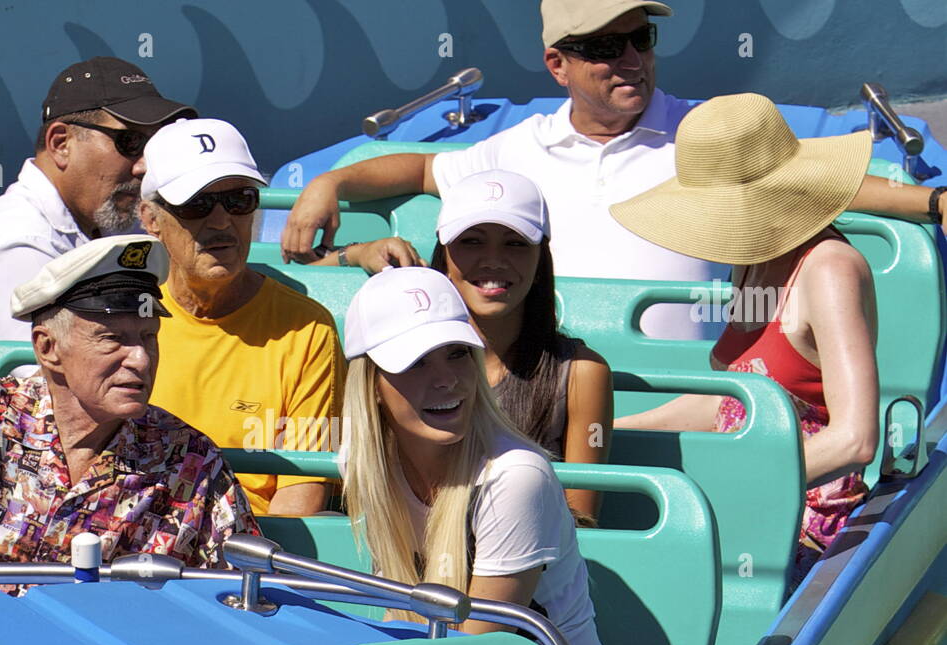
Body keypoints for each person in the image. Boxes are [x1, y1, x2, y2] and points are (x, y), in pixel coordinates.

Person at [282, 0, 944, 338]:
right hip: (550, 388)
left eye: (640, 39)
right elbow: (421, 169)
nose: (629, 58)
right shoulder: (520, 149)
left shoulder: (702, 132)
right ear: (557, 65)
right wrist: (329, 183)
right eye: (604, 46)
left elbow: (816, 179)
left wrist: (934, 206)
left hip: (696, 390)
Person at [0, 236, 260, 598]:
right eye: (113, 339)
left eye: (148, 337)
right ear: (48, 348)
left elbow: (246, 586)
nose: (140, 359)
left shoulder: (189, 459)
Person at [611, 93, 880, 587]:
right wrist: (610, 435)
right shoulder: (752, 258)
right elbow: (730, 402)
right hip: (739, 498)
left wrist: (731, 481)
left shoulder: (829, 269)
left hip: (801, 522)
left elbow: (856, 439)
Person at [340, 265, 605, 645]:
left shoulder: (514, 479)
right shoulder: (366, 463)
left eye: (458, 353)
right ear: (371, 385)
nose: (448, 380)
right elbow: (403, 621)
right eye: (416, 362)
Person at [138, 118, 343, 517]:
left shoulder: (308, 330)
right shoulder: (125, 316)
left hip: (248, 560)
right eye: (195, 204)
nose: (220, 221)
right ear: (150, 219)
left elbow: (301, 498)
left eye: (239, 200)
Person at [0, 57, 195, 375]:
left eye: (152, 145)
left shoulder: (105, 216)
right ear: (62, 143)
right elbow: (61, 386)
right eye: (131, 142)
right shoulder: (17, 245)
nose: (143, 165)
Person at [430, 169, 612, 523]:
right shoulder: (400, 361)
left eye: (515, 243)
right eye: (471, 241)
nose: (493, 260)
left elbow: (582, 518)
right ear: (444, 254)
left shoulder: (582, 373)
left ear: (540, 257)